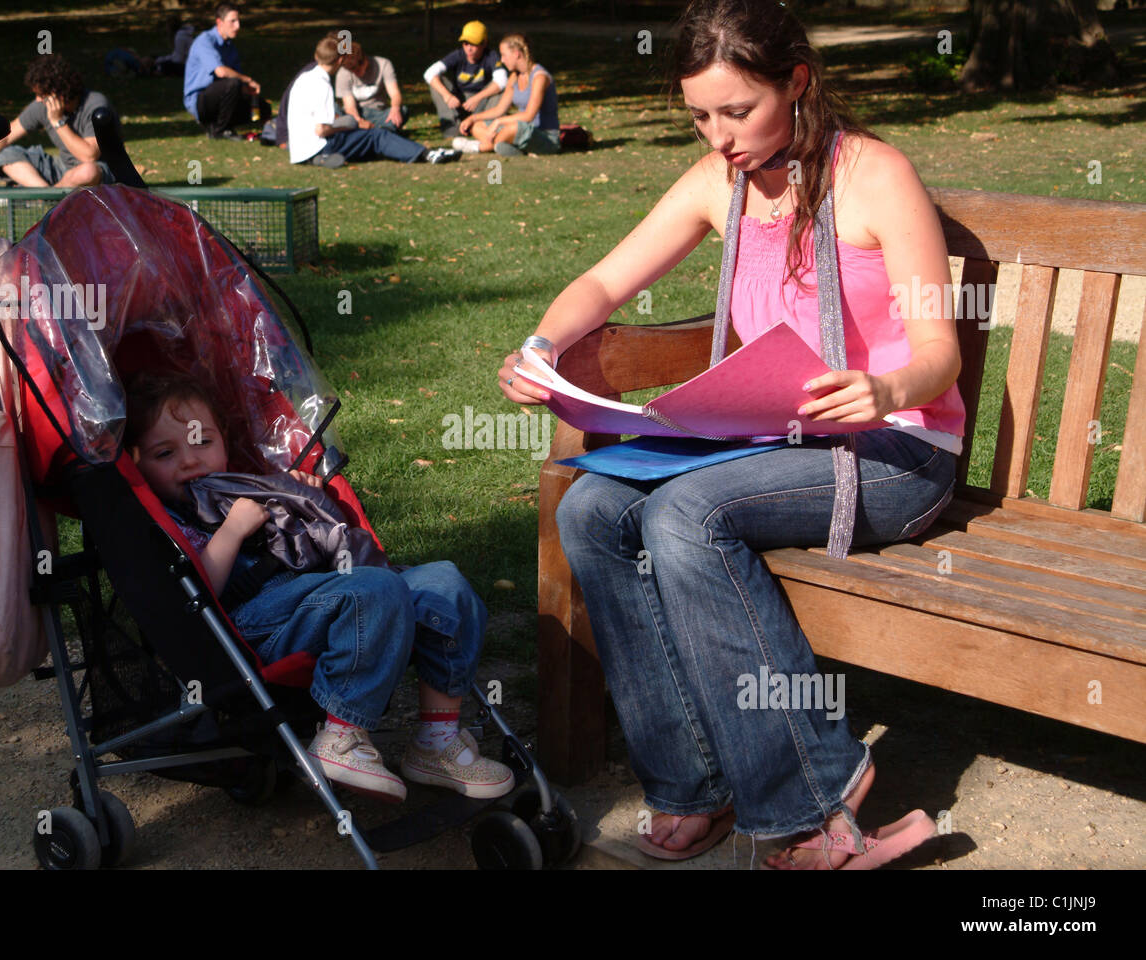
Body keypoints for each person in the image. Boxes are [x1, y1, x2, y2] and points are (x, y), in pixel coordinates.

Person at [499, 0, 962, 868]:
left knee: (686, 516)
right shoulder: (722, 182)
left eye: (737, 111)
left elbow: (939, 352)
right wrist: (541, 345)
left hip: (898, 450)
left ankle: (811, 791)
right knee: (593, 507)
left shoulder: (876, 176)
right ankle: (694, 783)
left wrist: (883, 386)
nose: (719, 136)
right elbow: (602, 282)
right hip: (780, 446)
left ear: (797, 82)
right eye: (701, 116)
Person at [124, 371, 515, 802]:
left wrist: (297, 495)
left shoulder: (242, 484)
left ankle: (435, 742)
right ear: (135, 463)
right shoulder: (163, 520)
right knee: (375, 590)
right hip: (253, 622)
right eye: (166, 453)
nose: (190, 461)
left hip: (321, 592)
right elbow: (196, 597)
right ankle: (340, 738)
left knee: (445, 583)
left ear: (224, 438)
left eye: (203, 441)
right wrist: (232, 532)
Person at [288, 37, 458, 168]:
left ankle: (322, 160)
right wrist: (349, 126)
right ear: (340, 61)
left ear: (317, 56)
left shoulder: (304, 78)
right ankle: (427, 154)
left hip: (299, 151)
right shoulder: (323, 84)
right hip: (320, 145)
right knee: (376, 136)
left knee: (368, 140)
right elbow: (321, 129)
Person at [0, 55, 115, 188]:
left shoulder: (95, 104)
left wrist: (58, 121)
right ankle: (49, 193)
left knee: (88, 171)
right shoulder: (41, 106)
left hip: (100, 172)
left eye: (42, 95)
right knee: (6, 154)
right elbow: (6, 136)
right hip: (61, 170)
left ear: (59, 93)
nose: (37, 99)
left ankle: (50, 195)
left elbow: (89, 156)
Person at [452, 35, 559, 157]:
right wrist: (473, 118)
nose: (502, 60)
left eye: (504, 55)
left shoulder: (540, 77)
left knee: (515, 127)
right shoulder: (514, 77)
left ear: (516, 54)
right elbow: (500, 109)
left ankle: (481, 146)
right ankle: (505, 146)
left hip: (544, 137)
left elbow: (529, 116)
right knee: (477, 126)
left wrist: (498, 122)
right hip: (520, 131)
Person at [183, 3, 270, 141]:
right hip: (200, 100)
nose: (238, 26)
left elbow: (236, 80)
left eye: (238, 21)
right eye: (233, 21)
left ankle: (226, 123)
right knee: (233, 84)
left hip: (224, 96)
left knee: (262, 106)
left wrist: (248, 90)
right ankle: (219, 131)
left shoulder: (230, 47)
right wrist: (247, 80)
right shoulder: (204, 41)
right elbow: (221, 72)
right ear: (219, 22)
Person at [424, 20, 507, 138]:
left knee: (502, 89)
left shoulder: (491, 56)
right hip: (459, 102)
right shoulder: (458, 55)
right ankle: (451, 126)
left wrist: (478, 98)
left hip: (481, 105)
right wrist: (447, 96)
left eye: (473, 44)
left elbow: (502, 80)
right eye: (465, 43)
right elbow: (429, 73)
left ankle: (485, 125)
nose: (469, 48)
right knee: (436, 82)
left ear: (484, 43)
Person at [335, 42, 408, 132]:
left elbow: (395, 94)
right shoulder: (343, 74)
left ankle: (376, 132)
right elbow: (350, 107)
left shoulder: (383, 64)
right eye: (352, 70)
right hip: (357, 113)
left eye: (357, 69)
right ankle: (382, 133)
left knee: (402, 110)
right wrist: (359, 121)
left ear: (365, 60)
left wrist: (395, 108)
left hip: (379, 113)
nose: (357, 73)